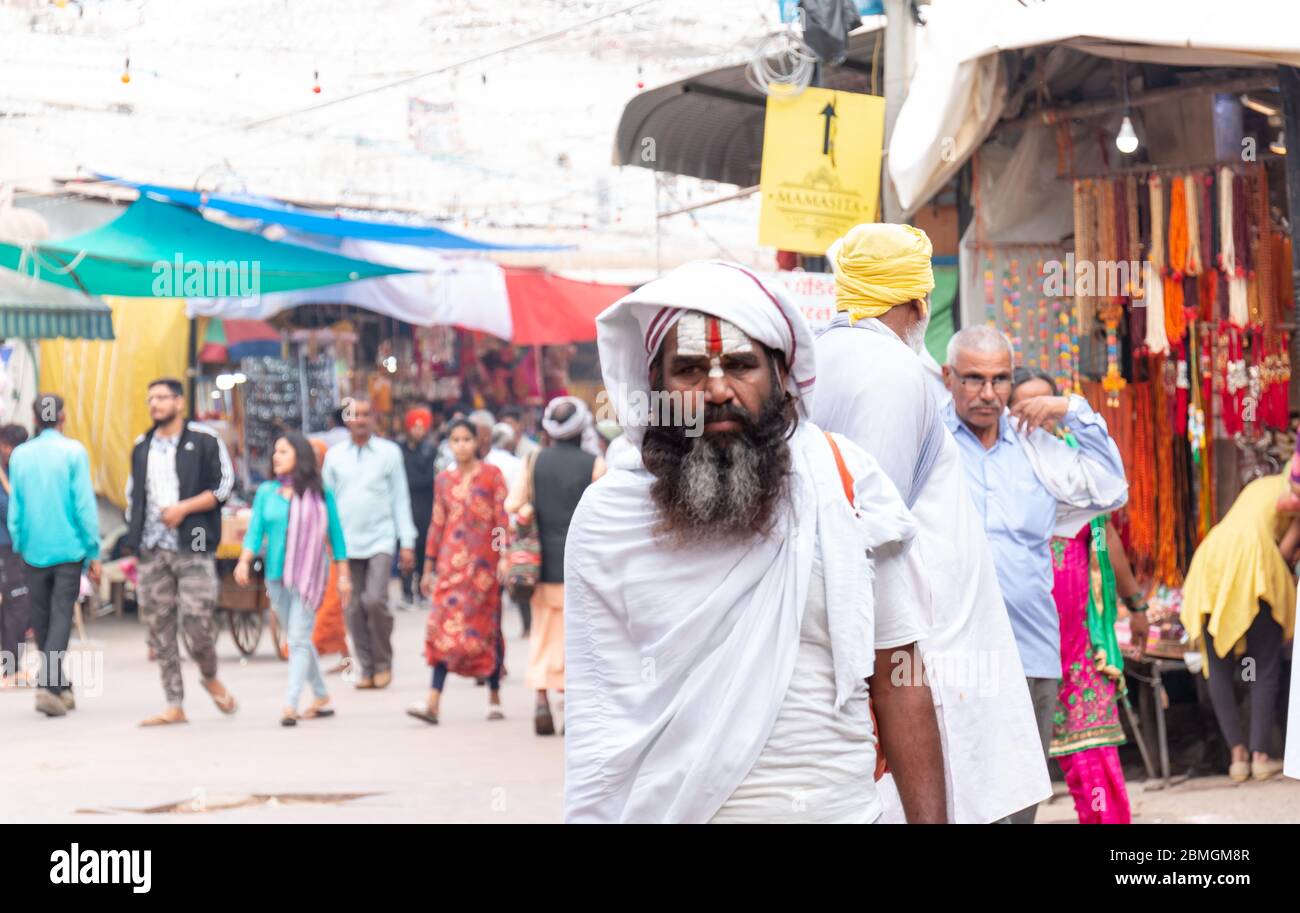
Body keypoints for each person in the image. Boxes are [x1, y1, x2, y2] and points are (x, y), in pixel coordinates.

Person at [564, 260, 946, 823]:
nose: (718, 388)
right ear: (657, 389)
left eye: (741, 365)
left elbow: (899, 672)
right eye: (690, 370)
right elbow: (600, 721)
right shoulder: (609, 520)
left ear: (780, 376)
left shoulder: (844, 484)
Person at [811, 223, 1050, 823]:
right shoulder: (892, 370)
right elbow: (872, 519)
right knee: (953, 792)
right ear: (918, 303)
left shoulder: (819, 358)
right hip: (924, 639)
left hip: (908, 642)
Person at [942, 325, 1129, 823]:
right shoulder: (928, 441)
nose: (988, 393)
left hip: (1031, 649)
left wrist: (1073, 410)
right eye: (974, 379)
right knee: (955, 788)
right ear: (948, 378)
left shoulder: (1034, 446)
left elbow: (1111, 488)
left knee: (1021, 794)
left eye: (999, 379)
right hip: (950, 652)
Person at [1010, 369, 1143, 824]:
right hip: (1019, 635)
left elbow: (1106, 538)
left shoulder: (1074, 467)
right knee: (1007, 770)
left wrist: (1136, 604)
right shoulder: (1002, 468)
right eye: (1026, 409)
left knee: (1093, 759)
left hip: (1079, 633)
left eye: (1046, 407)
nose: (1038, 420)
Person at [124, 378, 238, 726]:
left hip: (195, 542)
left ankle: (209, 673)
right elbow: (133, 494)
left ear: (178, 402)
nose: (154, 404)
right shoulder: (141, 445)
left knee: (196, 619)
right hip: (152, 547)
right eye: (150, 399)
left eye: (161, 398)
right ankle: (174, 702)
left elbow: (223, 486)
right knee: (159, 627)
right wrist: (137, 530)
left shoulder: (204, 439)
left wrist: (184, 509)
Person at [1182, 472, 1296, 781]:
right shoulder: (1293, 491)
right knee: (1263, 664)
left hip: (1211, 557)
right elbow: (1286, 551)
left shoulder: (1260, 485)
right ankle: (1260, 755)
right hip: (1255, 557)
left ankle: (1237, 756)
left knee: (1219, 666)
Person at [236, 432, 351, 726]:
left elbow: (336, 538)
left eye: (283, 452)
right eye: (275, 452)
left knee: (298, 639)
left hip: (310, 575)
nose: (276, 456)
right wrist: (244, 561)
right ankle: (322, 695)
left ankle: (290, 702)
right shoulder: (266, 493)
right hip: (275, 576)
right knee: (299, 637)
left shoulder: (320, 494)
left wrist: (344, 577)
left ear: (299, 457)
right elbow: (255, 532)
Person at [506, 396, 604, 736]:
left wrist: (530, 511)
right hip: (583, 566)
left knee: (542, 634)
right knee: (577, 638)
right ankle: (570, 704)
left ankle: (541, 699)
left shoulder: (532, 461)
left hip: (541, 566)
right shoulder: (595, 465)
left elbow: (514, 504)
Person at [5, 393, 102, 717]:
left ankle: (60, 686)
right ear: (62, 417)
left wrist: (19, 542)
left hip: (32, 549)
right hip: (68, 548)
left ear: (34, 419)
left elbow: (15, 506)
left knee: (42, 617)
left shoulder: (20, 456)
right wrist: (93, 550)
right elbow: (84, 507)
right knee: (61, 614)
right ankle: (49, 685)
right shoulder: (73, 451)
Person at [408, 419, 510, 724]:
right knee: (442, 628)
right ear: (449, 444)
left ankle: (493, 694)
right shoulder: (444, 481)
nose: (462, 445)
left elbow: (501, 518)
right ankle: (433, 700)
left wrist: (504, 556)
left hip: (484, 567)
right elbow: (437, 524)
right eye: (456, 439)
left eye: (467, 439)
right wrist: (427, 567)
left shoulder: (492, 476)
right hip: (450, 566)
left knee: (487, 627)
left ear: (477, 443)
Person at [323, 399, 417, 690]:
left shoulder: (389, 453)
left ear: (372, 418)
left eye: (365, 414)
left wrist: (407, 541)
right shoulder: (335, 456)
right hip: (346, 542)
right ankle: (366, 667)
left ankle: (383, 662)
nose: (360, 420)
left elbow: (400, 497)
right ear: (346, 420)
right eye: (354, 415)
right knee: (352, 607)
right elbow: (326, 501)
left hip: (381, 538)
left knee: (374, 600)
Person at [309, 438, 351, 673]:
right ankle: (346, 658)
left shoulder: (329, 481)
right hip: (312, 554)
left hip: (334, 551)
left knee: (332, 605)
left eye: (318, 454)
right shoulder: (301, 483)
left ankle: (307, 653)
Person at [0, 424, 31, 687]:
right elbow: (9, 508)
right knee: (15, 604)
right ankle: (11, 670)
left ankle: (11, 668)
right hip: (6, 547)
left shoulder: (16, 470)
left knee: (14, 605)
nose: (7, 451)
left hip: (16, 546)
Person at [400, 406, 440, 609]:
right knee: (406, 549)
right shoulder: (399, 451)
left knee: (425, 548)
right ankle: (406, 591)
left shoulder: (431, 451)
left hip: (426, 507)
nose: (418, 430)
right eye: (415, 426)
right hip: (406, 505)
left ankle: (421, 590)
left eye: (422, 426)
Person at [469, 409, 522, 491]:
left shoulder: (511, 464)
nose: (468, 439)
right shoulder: (455, 467)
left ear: (487, 435)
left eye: (473, 434)